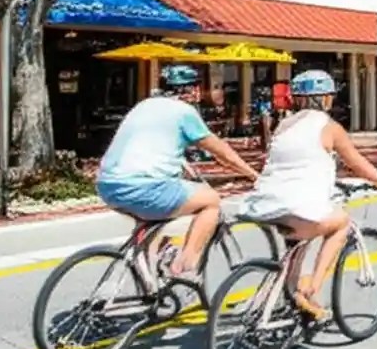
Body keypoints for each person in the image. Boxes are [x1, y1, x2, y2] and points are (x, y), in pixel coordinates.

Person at [236, 69, 377, 320]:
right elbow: (356, 161)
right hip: (297, 206)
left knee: (300, 238)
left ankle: (291, 291)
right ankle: (310, 292)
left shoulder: (283, 126)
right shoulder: (329, 127)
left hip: (264, 203)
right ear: (325, 98)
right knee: (340, 223)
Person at [97, 65, 261, 279]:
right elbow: (222, 152)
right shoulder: (184, 112)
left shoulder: (144, 105)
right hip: (146, 187)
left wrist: (183, 165)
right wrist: (253, 175)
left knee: (150, 221)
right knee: (211, 201)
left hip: (107, 185)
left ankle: (148, 280)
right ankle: (185, 264)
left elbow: (154, 145)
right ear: (192, 90)